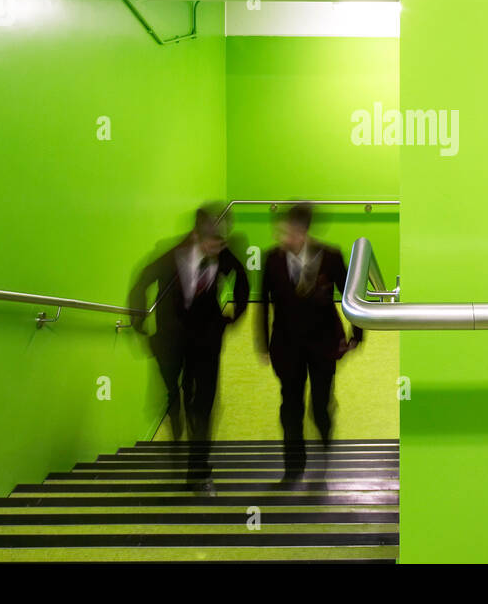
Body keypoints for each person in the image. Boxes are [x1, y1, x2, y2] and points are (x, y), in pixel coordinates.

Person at [129, 204, 249, 488]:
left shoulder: (222, 251)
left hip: (207, 339)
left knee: (203, 403)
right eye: (212, 242)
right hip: (171, 339)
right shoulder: (171, 255)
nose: (217, 249)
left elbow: (241, 277)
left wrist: (235, 314)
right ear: (196, 235)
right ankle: (175, 412)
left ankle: (198, 471)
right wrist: (138, 324)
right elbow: (142, 281)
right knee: (175, 392)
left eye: (221, 242)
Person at [255, 203, 362, 482]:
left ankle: (325, 442)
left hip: (323, 343)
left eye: (288, 232)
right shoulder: (272, 259)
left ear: (303, 232)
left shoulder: (330, 256)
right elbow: (263, 302)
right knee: (290, 406)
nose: (283, 237)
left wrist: (357, 334)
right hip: (286, 345)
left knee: (320, 404)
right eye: (282, 231)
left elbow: (351, 295)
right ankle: (293, 468)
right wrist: (262, 343)